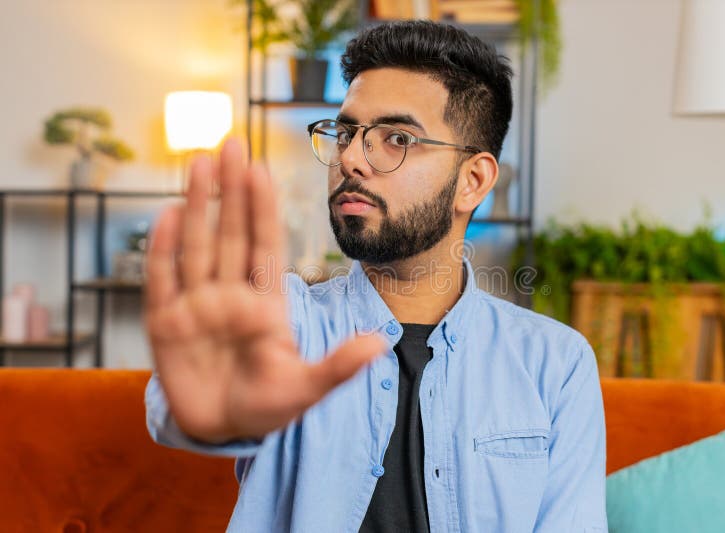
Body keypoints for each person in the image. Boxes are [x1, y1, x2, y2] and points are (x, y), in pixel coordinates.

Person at [144, 20, 607, 532]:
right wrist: (216, 415)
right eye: (346, 133)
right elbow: (180, 399)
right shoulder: (285, 322)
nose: (349, 159)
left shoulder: (555, 365)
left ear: (472, 181)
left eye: (397, 138)